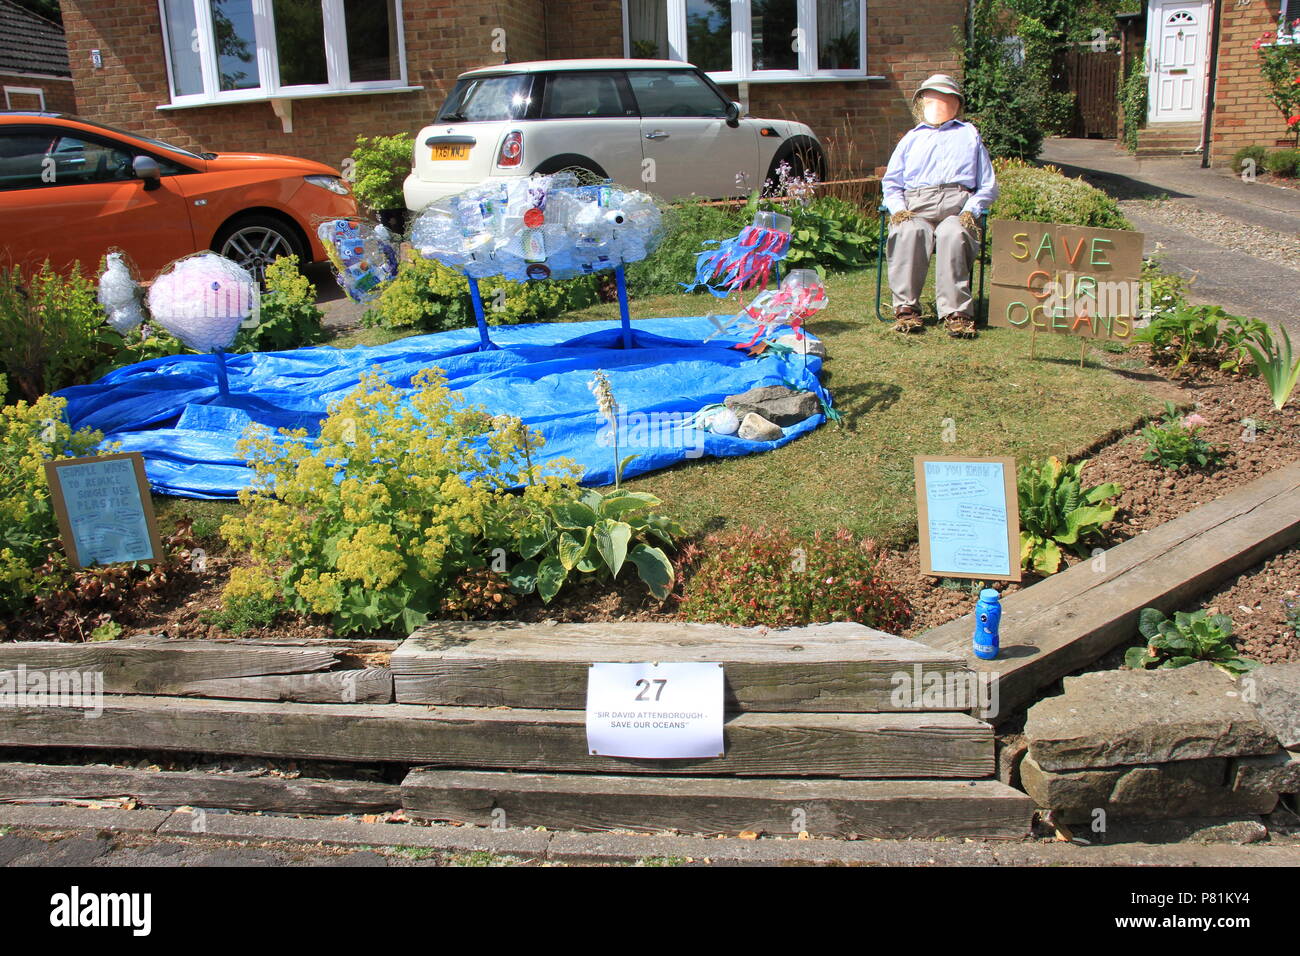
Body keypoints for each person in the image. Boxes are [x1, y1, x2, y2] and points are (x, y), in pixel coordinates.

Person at [881, 74, 998, 338]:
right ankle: (906, 309)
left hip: (957, 207)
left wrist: (971, 210)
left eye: (946, 97)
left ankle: (957, 313)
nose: (939, 102)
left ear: (956, 102)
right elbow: (891, 183)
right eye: (933, 97)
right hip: (916, 205)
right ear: (921, 102)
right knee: (909, 232)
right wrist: (899, 209)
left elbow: (988, 185)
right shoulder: (911, 139)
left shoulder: (969, 135)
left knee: (953, 234)